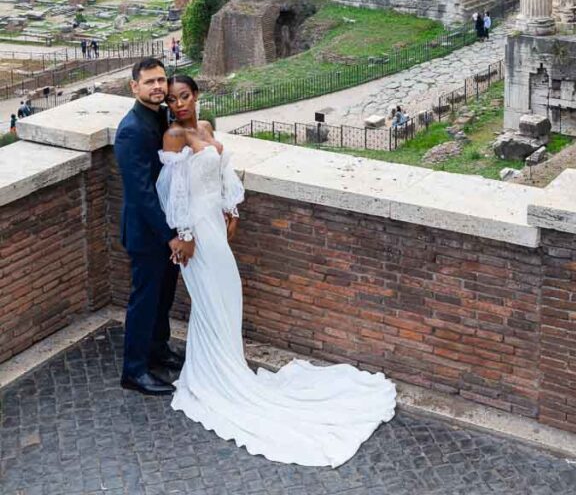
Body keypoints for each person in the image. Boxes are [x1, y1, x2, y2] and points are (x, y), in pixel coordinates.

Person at [157, 74, 395, 467]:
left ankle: (224, 365)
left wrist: (231, 207)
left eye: (184, 96)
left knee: (227, 299)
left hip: (215, 224)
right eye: (172, 99)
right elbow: (172, 190)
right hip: (196, 232)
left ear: (196, 95)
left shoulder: (205, 127)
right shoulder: (174, 137)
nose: (179, 104)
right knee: (212, 300)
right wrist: (183, 234)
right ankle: (214, 376)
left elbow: (221, 173)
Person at [114, 57, 194, 397]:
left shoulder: (162, 115)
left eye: (161, 80)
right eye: (150, 82)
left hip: (167, 227)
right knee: (144, 300)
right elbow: (142, 192)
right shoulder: (131, 129)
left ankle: (158, 350)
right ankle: (134, 370)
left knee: (163, 297)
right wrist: (171, 236)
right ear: (134, 87)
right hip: (148, 233)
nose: (158, 87)